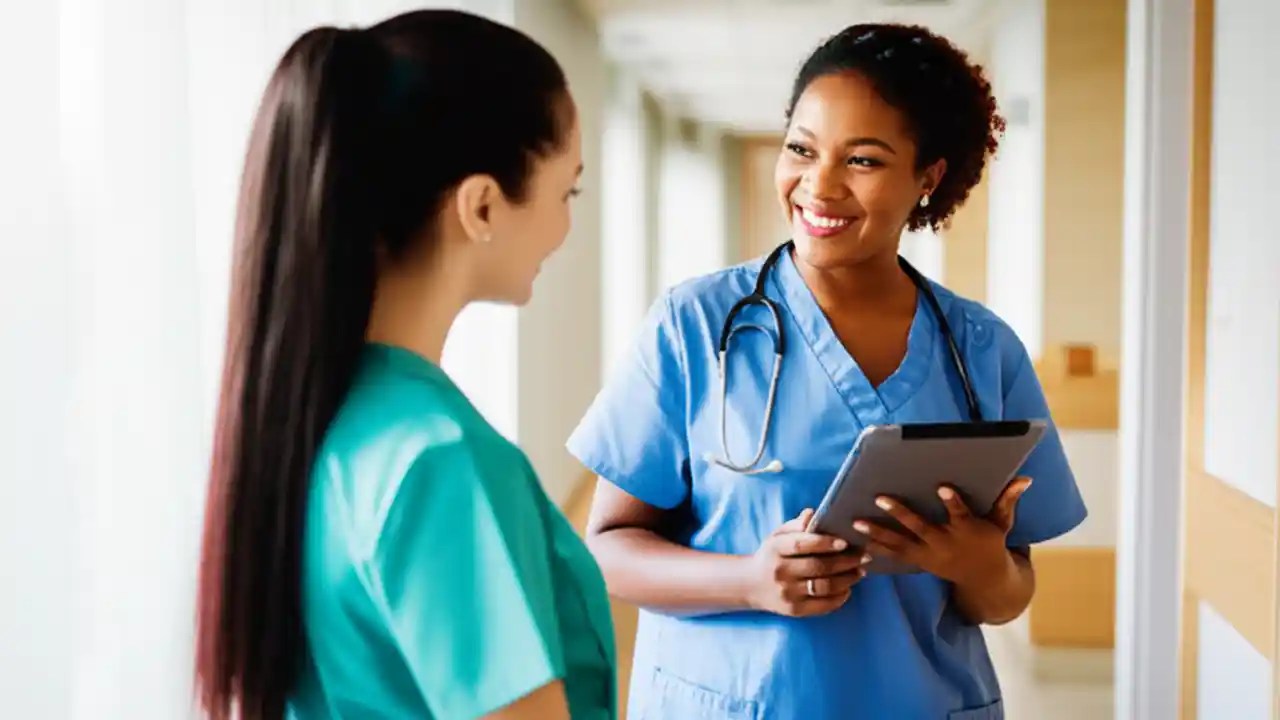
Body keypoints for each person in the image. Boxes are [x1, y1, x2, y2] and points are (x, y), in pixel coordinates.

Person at [568, 23, 1087, 720]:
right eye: (801, 149)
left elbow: (1008, 594)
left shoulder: (982, 350)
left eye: (864, 161)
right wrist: (749, 581)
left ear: (927, 177)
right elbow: (605, 550)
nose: (819, 185)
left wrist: (979, 565)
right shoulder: (694, 325)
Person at [194, 10, 615, 720]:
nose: (567, 227)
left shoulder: (319, 419)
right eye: (565, 192)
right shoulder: (438, 462)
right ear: (482, 205)